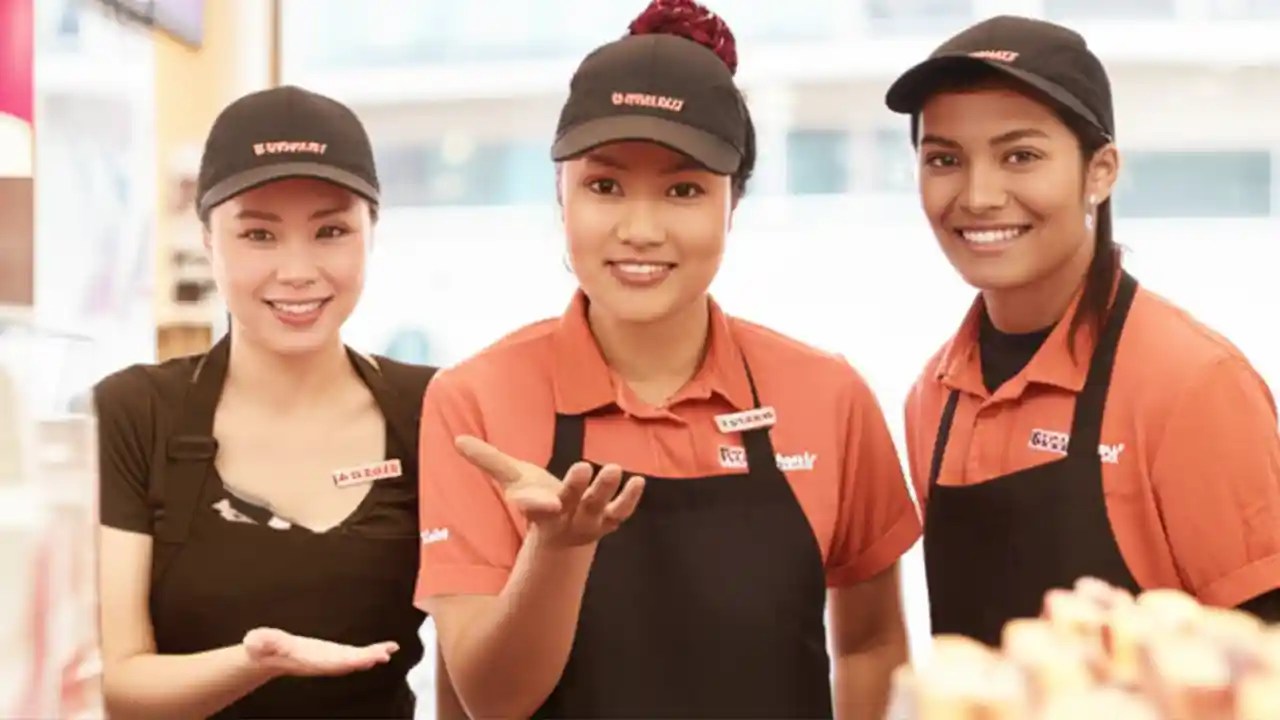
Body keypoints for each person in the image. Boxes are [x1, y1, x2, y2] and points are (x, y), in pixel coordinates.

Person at [414, 2, 922, 718]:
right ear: (560, 195)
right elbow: (490, 701)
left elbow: (870, 645)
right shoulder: (474, 403)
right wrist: (556, 551)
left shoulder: (828, 394)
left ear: (732, 204)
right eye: (604, 186)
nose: (641, 229)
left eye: (684, 190)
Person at [884, 15, 1280, 646]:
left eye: (1020, 156)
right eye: (944, 159)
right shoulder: (933, 398)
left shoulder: (1191, 385)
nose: (978, 195)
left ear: (1100, 171)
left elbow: (1265, 665)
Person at [94, 86, 458, 719]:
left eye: (331, 231)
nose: (296, 271)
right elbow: (118, 683)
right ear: (207, 239)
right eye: (259, 234)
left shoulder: (434, 407)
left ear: (372, 233)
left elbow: (467, 666)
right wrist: (254, 662)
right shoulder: (134, 412)